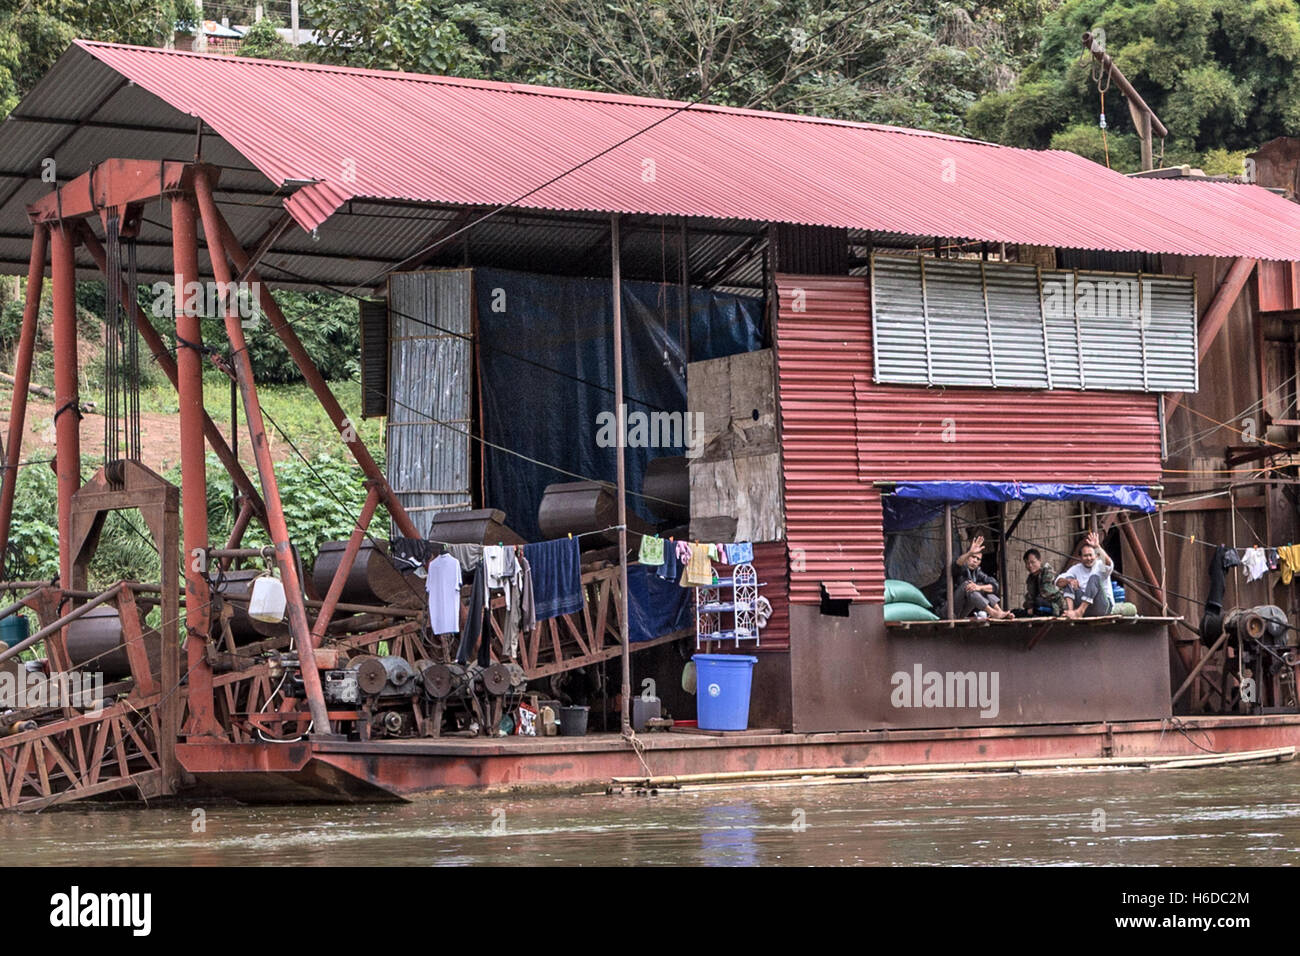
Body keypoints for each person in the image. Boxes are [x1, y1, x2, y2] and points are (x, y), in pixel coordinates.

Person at [1056, 531, 1115, 619]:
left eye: (1091, 555)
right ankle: (1071, 612)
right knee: (1068, 579)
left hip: (1102, 607)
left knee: (1094, 578)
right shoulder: (1076, 568)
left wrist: (1097, 547)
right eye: (1085, 556)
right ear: (1080, 558)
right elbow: (1058, 582)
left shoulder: (1100, 566)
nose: (1088, 558)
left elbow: (1108, 563)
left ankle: (1079, 612)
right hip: (1085, 608)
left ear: (1096, 556)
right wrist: (1069, 581)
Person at [952, 534, 1012, 620]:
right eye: (973, 556)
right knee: (968, 585)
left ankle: (999, 611)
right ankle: (992, 613)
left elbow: (995, 585)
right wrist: (970, 552)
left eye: (978, 559)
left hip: (961, 613)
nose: (975, 560)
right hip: (948, 610)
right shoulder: (961, 567)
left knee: (981, 586)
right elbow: (956, 565)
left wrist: (979, 587)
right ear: (967, 556)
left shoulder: (977, 572)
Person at [1022, 548, 1064, 617]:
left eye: (1032, 562)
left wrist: (1032, 606)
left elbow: (1046, 592)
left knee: (1038, 603)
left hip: (1056, 606)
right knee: (1018, 612)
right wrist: (1028, 606)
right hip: (1040, 605)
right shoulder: (1031, 578)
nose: (1030, 566)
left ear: (1040, 561)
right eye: (1027, 563)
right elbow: (1030, 596)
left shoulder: (1047, 571)